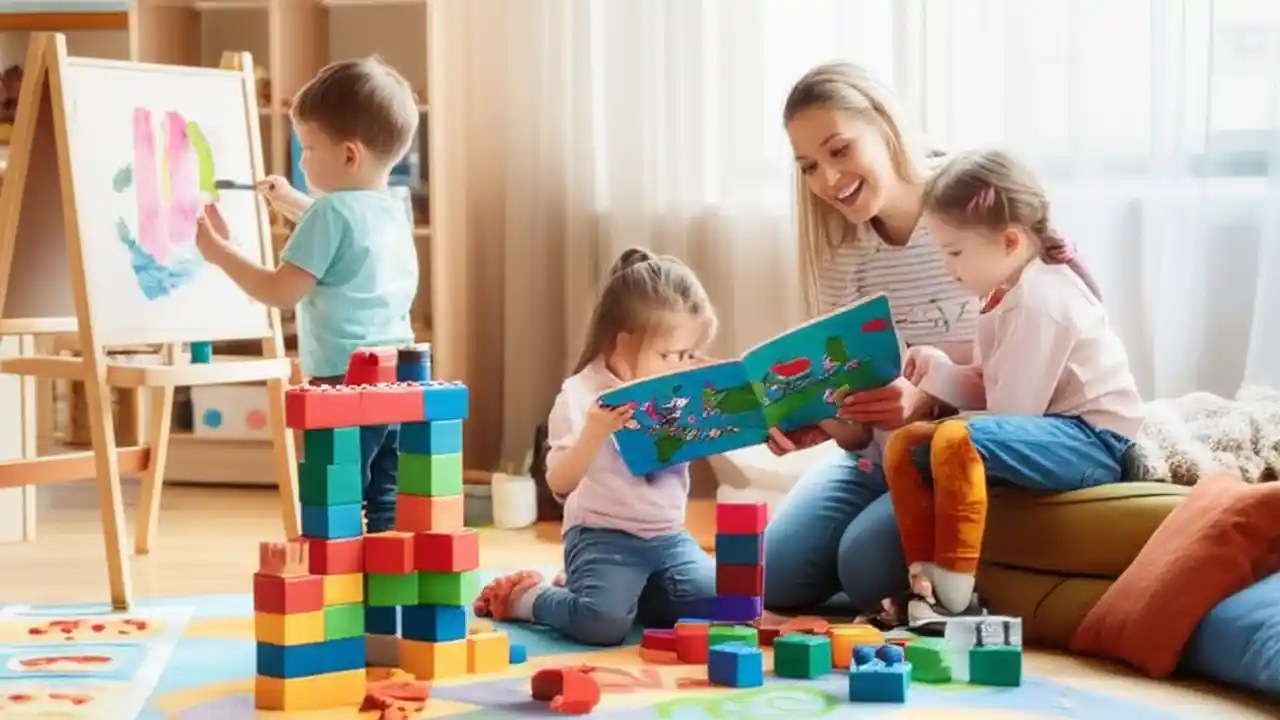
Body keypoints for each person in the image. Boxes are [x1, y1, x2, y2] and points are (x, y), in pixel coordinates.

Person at [762, 61, 1097, 614]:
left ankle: (935, 583)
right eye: (808, 166)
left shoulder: (968, 214)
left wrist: (927, 398)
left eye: (839, 150)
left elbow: (1034, 374)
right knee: (776, 578)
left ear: (886, 126)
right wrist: (817, 420)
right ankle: (906, 575)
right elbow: (854, 433)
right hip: (877, 458)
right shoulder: (842, 254)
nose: (826, 179)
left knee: (864, 567)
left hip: (957, 453)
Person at [883, 148, 1141, 625]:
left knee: (954, 439)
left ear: (1009, 241)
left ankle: (954, 599)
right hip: (1047, 428)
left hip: (1094, 442)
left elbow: (1009, 413)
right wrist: (938, 369)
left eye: (954, 252)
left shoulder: (1041, 302)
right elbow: (992, 391)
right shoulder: (1003, 293)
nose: (946, 266)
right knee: (906, 444)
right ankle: (923, 579)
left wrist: (952, 407)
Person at [195, 57, 420, 533]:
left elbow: (279, 292)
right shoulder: (390, 211)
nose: (301, 160)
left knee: (335, 493)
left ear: (349, 154)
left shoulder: (329, 215)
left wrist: (222, 253)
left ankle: (334, 579)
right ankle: (386, 583)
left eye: (308, 146)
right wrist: (292, 202)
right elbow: (344, 239)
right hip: (397, 374)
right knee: (385, 497)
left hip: (343, 379)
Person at [472, 248, 719, 646]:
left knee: (718, 606)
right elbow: (560, 483)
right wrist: (594, 432)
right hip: (604, 535)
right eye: (670, 355)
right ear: (622, 342)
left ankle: (618, 592)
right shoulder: (580, 394)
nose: (681, 366)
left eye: (689, 355)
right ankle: (529, 598)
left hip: (667, 536)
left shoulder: (676, 388)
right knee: (601, 625)